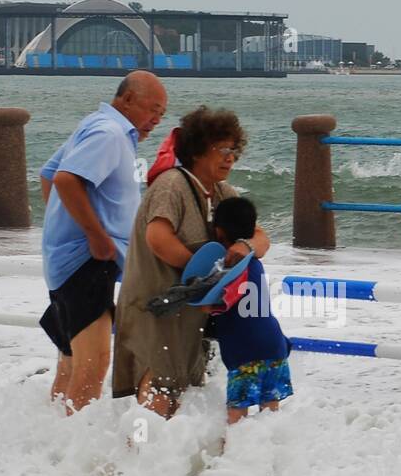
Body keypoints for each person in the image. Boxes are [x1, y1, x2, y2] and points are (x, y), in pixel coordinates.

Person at [111, 106, 270, 418]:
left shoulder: (222, 192)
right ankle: (139, 448)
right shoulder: (171, 184)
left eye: (234, 151)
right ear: (197, 150)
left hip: (189, 309)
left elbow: (261, 237)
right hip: (153, 305)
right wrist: (205, 274)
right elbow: (158, 238)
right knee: (159, 386)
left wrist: (245, 245)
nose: (231, 158)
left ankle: (160, 449)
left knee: (181, 390)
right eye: (223, 150)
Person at [38, 71, 167, 412]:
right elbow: (65, 180)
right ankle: (76, 444)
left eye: (162, 115)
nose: (156, 120)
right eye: (153, 109)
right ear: (128, 99)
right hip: (87, 265)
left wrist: (62, 226)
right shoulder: (109, 134)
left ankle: (54, 435)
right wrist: (95, 236)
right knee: (93, 367)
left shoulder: (96, 124)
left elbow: (48, 175)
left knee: (71, 363)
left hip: (67, 263)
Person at [206, 197, 293, 424]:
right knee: (270, 413)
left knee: (236, 416)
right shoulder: (255, 263)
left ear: (219, 232)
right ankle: (271, 445)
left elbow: (212, 305)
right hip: (275, 346)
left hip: (246, 353)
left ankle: (230, 447)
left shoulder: (227, 269)